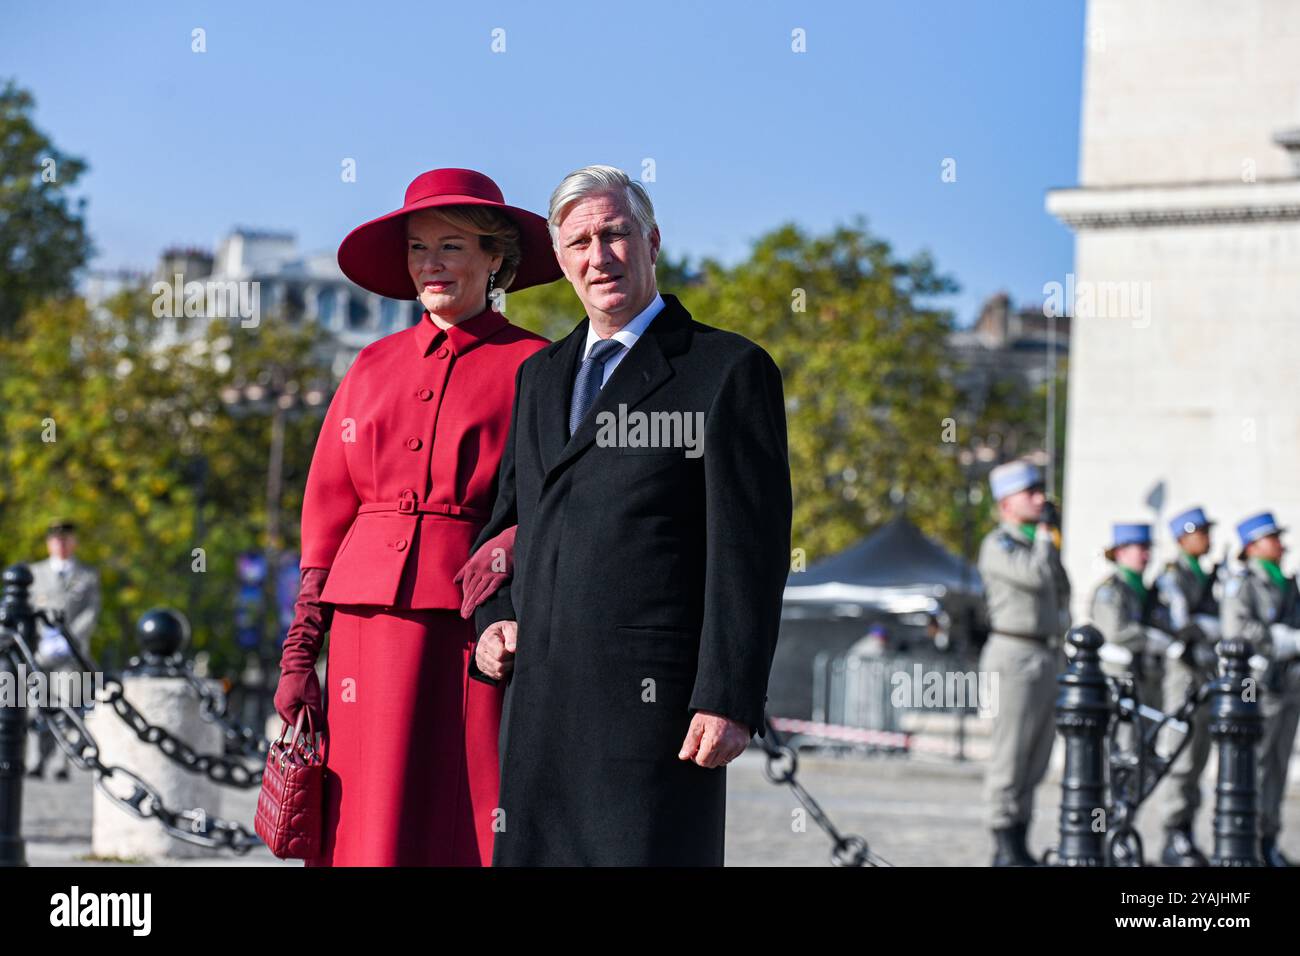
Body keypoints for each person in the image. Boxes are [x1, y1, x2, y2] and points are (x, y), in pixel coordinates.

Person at [468, 164, 792, 866]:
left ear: (652, 241)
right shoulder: (540, 376)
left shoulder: (727, 371)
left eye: (615, 234)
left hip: (654, 716)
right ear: (559, 260)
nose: (599, 256)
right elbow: (503, 528)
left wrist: (729, 697)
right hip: (539, 714)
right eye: (580, 242)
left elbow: (751, 555)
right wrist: (490, 617)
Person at [272, 168, 562, 866]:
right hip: (366, 631)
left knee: (465, 817)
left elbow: (553, 506)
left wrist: (501, 573)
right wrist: (299, 653)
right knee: (366, 824)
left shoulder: (540, 366)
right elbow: (325, 517)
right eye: (418, 247)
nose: (430, 264)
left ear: (497, 258)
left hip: (477, 632)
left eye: (452, 247)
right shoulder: (368, 366)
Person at [976, 459, 1069, 866]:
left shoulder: (1040, 543)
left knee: (1037, 756)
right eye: (1029, 493)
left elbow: (1062, 588)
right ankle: (1003, 843)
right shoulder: (1000, 544)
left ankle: (1021, 839)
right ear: (1006, 503)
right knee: (1010, 756)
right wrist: (1048, 538)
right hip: (1013, 655)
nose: (1040, 499)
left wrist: (1051, 539)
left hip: (1047, 654)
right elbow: (1034, 578)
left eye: (1040, 491)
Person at [1220, 510, 1300, 867]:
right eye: (1272, 538)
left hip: (1288, 682)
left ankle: (1269, 836)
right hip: (1258, 685)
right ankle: (1247, 839)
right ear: (1253, 545)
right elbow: (1237, 628)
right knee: (1256, 762)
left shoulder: (1285, 581)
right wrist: (1275, 639)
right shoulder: (1245, 583)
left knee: (1279, 764)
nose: (1280, 544)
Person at [1153, 506, 1222, 866]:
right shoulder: (1174, 574)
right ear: (1183, 537)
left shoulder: (1206, 574)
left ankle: (1186, 828)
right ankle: (1172, 832)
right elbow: (1181, 624)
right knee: (1180, 752)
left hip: (1203, 671)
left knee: (1198, 755)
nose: (1207, 538)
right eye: (1201, 531)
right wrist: (1204, 624)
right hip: (1183, 672)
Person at [27, 518, 101, 780]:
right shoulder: (35, 574)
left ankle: (62, 762)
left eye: (65, 539)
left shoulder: (87, 575)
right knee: (38, 709)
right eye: (56, 540)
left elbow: (90, 613)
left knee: (67, 707)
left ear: (74, 542)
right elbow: (29, 611)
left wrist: (70, 639)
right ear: (49, 543)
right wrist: (42, 639)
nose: (61, 544)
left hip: (70, 655)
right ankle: (37, 760)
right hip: (40, 653)